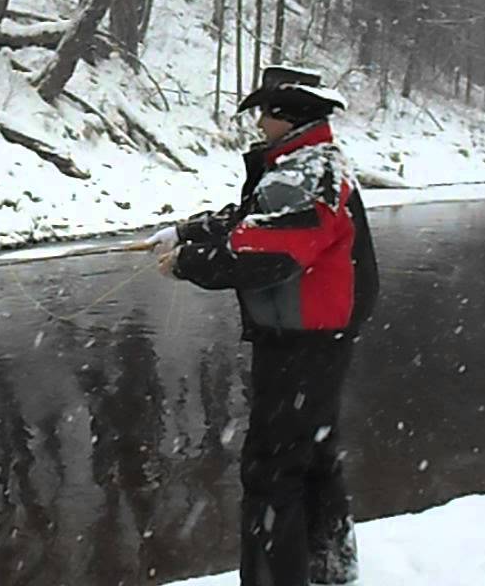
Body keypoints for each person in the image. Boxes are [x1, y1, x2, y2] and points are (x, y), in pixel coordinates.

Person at [146, 65, 379, 586]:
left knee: (272, 470)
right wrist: (186, 230)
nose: (259, 123)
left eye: (265, 113)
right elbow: (255, 220)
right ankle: (329, 571)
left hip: (301, 344)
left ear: (286, 117)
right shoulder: (309, 163)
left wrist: (191, 262)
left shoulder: (304, 172)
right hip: (317, 339)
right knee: (313, 455)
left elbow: (267, 251)